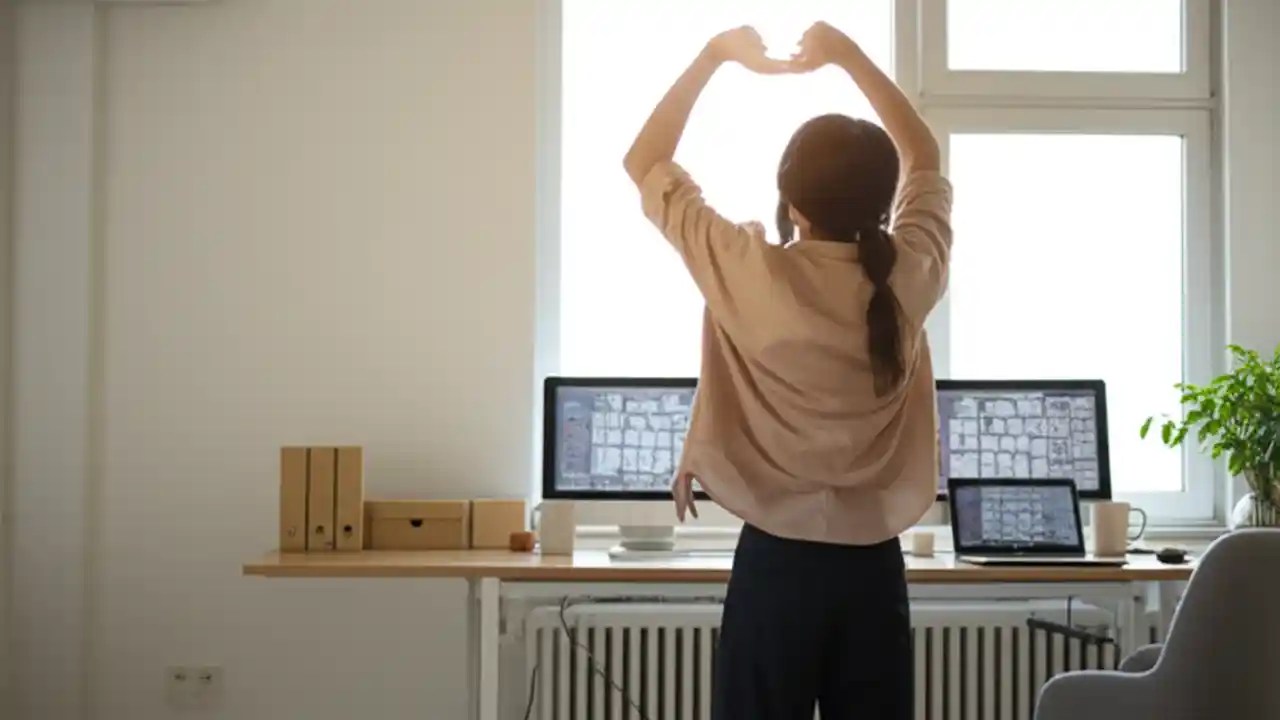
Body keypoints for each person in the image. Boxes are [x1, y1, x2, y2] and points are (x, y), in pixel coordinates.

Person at [622, 21, 952, 720]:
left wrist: (715, 55)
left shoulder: (749, 272)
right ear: (884, 203)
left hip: (776, 567)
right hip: (873, 570)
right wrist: (847, 56)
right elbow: (923, 153)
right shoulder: (912, 273)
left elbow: (645, 158)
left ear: (791, 200)